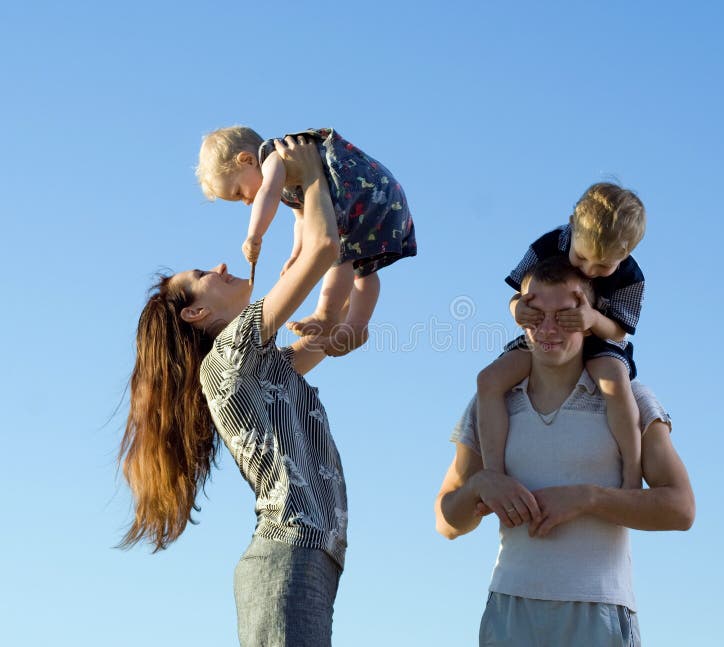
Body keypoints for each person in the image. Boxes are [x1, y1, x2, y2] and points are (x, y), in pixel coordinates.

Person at [119, 136, 347, 647]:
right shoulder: (227, 356)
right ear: (195, 313)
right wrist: (308, 176)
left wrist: (347, 325)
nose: (221, 268)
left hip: (311, 559)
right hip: (289, 558)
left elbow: (335, 333)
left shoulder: (258, 363)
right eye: (204, 276)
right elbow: (324, 249)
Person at [435, 256, 694, 646]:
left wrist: (587, 498)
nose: (548, 329)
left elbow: (681, 508)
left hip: (600, 610)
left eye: (564, 315)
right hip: (510, 608)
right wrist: (481, 485)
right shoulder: (492, 401)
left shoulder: (634, 400)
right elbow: (447, 522)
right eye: (535, 314)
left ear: (588, 319)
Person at [477, 183, 647, 489]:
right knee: (488, 380)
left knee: (615, 383)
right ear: (571, 225)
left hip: (599, 338)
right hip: (544, 331)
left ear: (626, 255)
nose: (590, 270)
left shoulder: (631, 277)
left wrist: (593, 319)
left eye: (604, 265)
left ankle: (632, 473)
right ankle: (494, 472)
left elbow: (620, 328)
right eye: (582, 258)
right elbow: (518, 294)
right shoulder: (547, 245)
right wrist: (517, 309)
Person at [195, 126, 417, 356]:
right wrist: (296, 254)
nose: (246, 202)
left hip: (363, 194)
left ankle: (326, 314)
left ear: (247, 160)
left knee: (340, 256)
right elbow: (301, 219)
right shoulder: (291, 176)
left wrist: (254, 234)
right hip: (384, 195)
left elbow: (267, 194)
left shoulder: (274, 156)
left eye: (239, 192)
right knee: (364, 268)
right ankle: (357, 326)